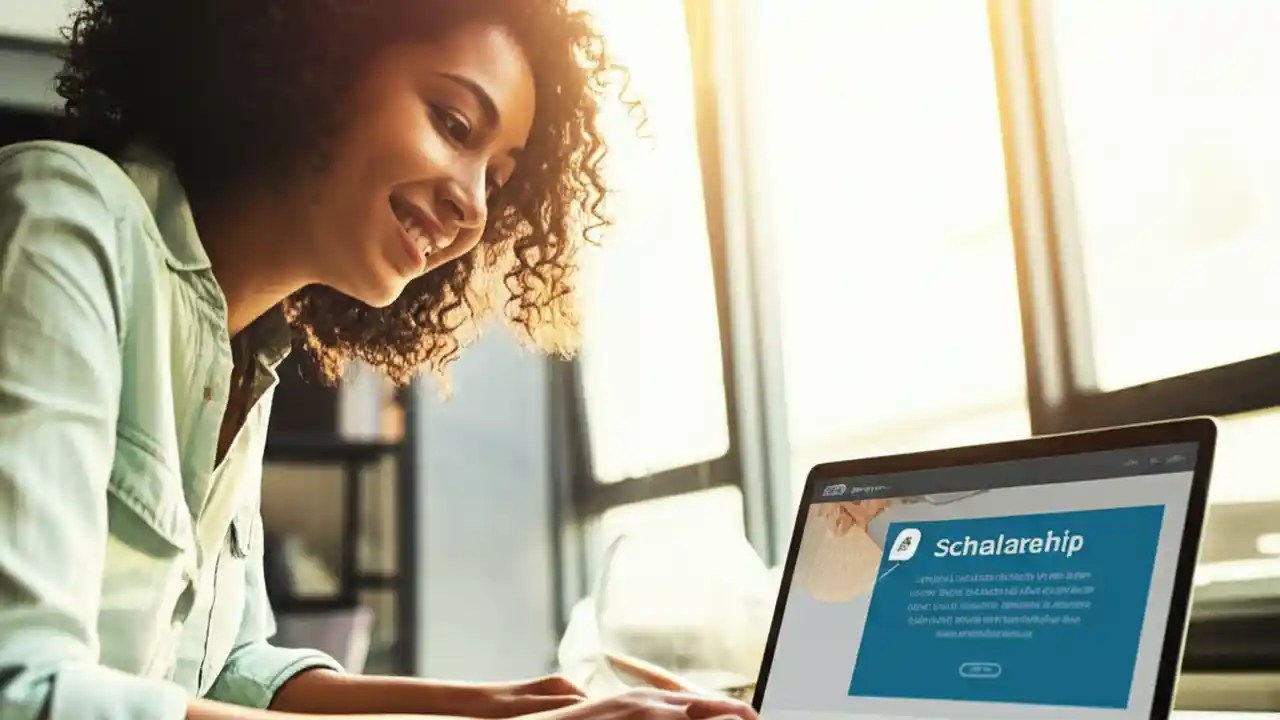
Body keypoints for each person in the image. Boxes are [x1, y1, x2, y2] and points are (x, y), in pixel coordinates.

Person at [0, 3, 758, 720]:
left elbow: (228, 669)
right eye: (454, 124)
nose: (475, 206)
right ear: (316, 58)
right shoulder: (65, 220)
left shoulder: (243, 350)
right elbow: (25, 690)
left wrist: (506, 705)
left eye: (497, 179)